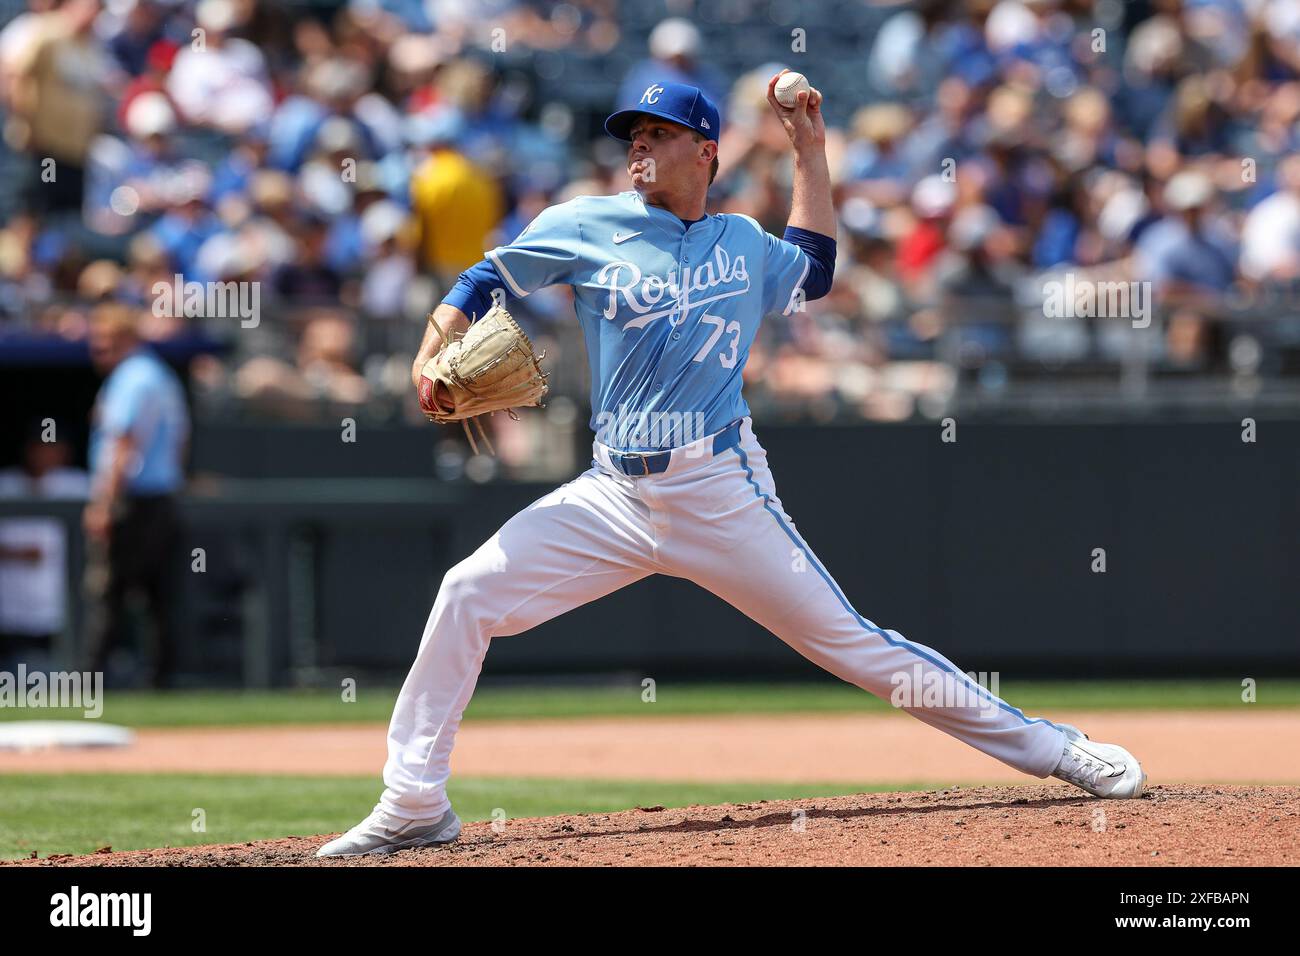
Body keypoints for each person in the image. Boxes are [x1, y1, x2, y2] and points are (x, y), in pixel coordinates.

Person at [318, 74, 1147, 858]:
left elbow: (815, 271)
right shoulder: (586, 222)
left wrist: (809, 150)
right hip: (611, 492)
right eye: (632, 133)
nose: (639, 145)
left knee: (855, 645)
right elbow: (484, 275)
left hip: (719, 488)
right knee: (467, 592)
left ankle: (1056, 750)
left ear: (706, 150)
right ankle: (415, 803)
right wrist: (434, 349)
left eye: (660, 132)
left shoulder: (744, 243)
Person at [83, 303, 190, 688]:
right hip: (162, 498)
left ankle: (90, 682)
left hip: (134, 499)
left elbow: (123, 444)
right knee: (158, 595)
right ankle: (163, 679)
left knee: (108, 591)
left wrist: (104, 504)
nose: (98, 351)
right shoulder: (161, 375)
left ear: (128, 339)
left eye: (106, 343)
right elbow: (180, 443)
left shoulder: (132, 378)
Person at [0, 423, 90, 673]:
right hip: (11, 607)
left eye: (52, 448)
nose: (45, 455)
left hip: (61, 605)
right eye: (39, 448)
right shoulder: (6, 484)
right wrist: (16, 553)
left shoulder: (79, 485)